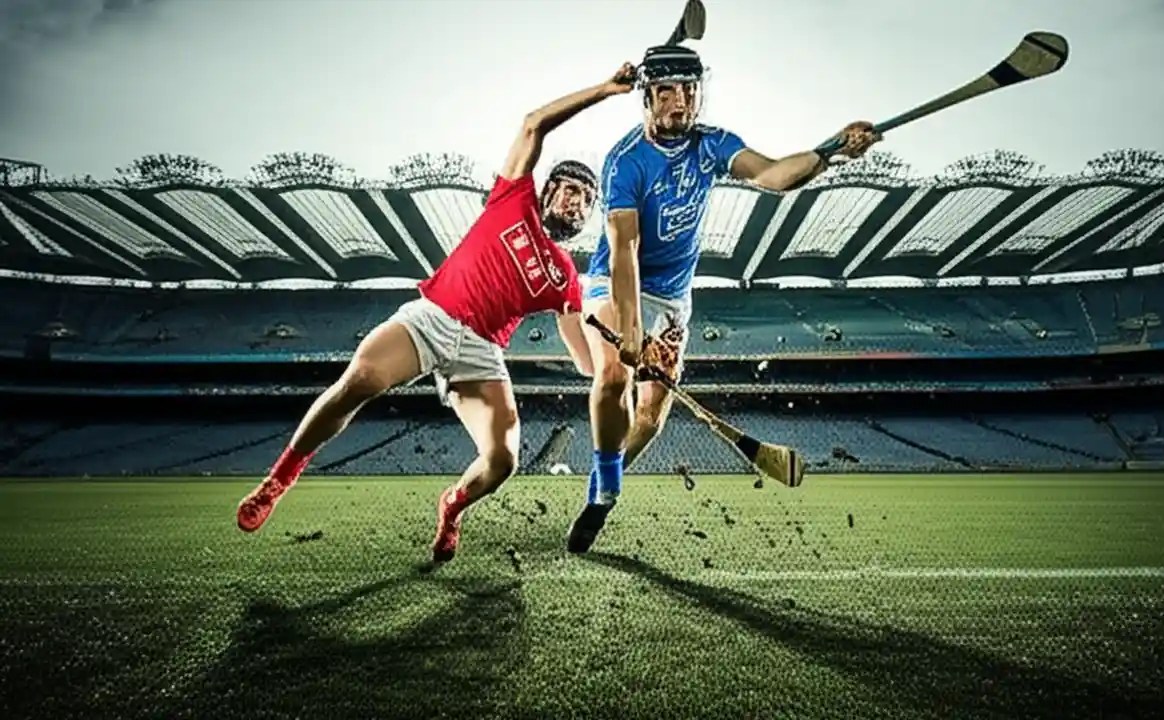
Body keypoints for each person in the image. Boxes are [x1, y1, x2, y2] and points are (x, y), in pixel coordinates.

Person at [237, 63, 639, 563]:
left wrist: (625, 357)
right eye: (571, 191)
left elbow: (585, 363)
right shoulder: (511, 199)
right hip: (435, 317)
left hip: (482, 352)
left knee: (502, 461)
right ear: (548, 191)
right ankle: (278, 481)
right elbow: (534, 122)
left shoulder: (564, 279)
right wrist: (606, 89)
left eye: (587, 201)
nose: (578, 205)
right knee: (361, 376)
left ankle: (451, 507)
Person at [567, 44, 883, 553]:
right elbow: (626, 247)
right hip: (617, 281)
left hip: (672, 298)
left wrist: (832, 151)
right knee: (612, 376)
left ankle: (599, 495)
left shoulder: (712, 145)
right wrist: (629, 328)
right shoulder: (624, 162)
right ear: (646, 96)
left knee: (650, 416)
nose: (680, 103)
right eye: (667, 91)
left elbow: (773, 174)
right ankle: (608, 484)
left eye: (689, 91)